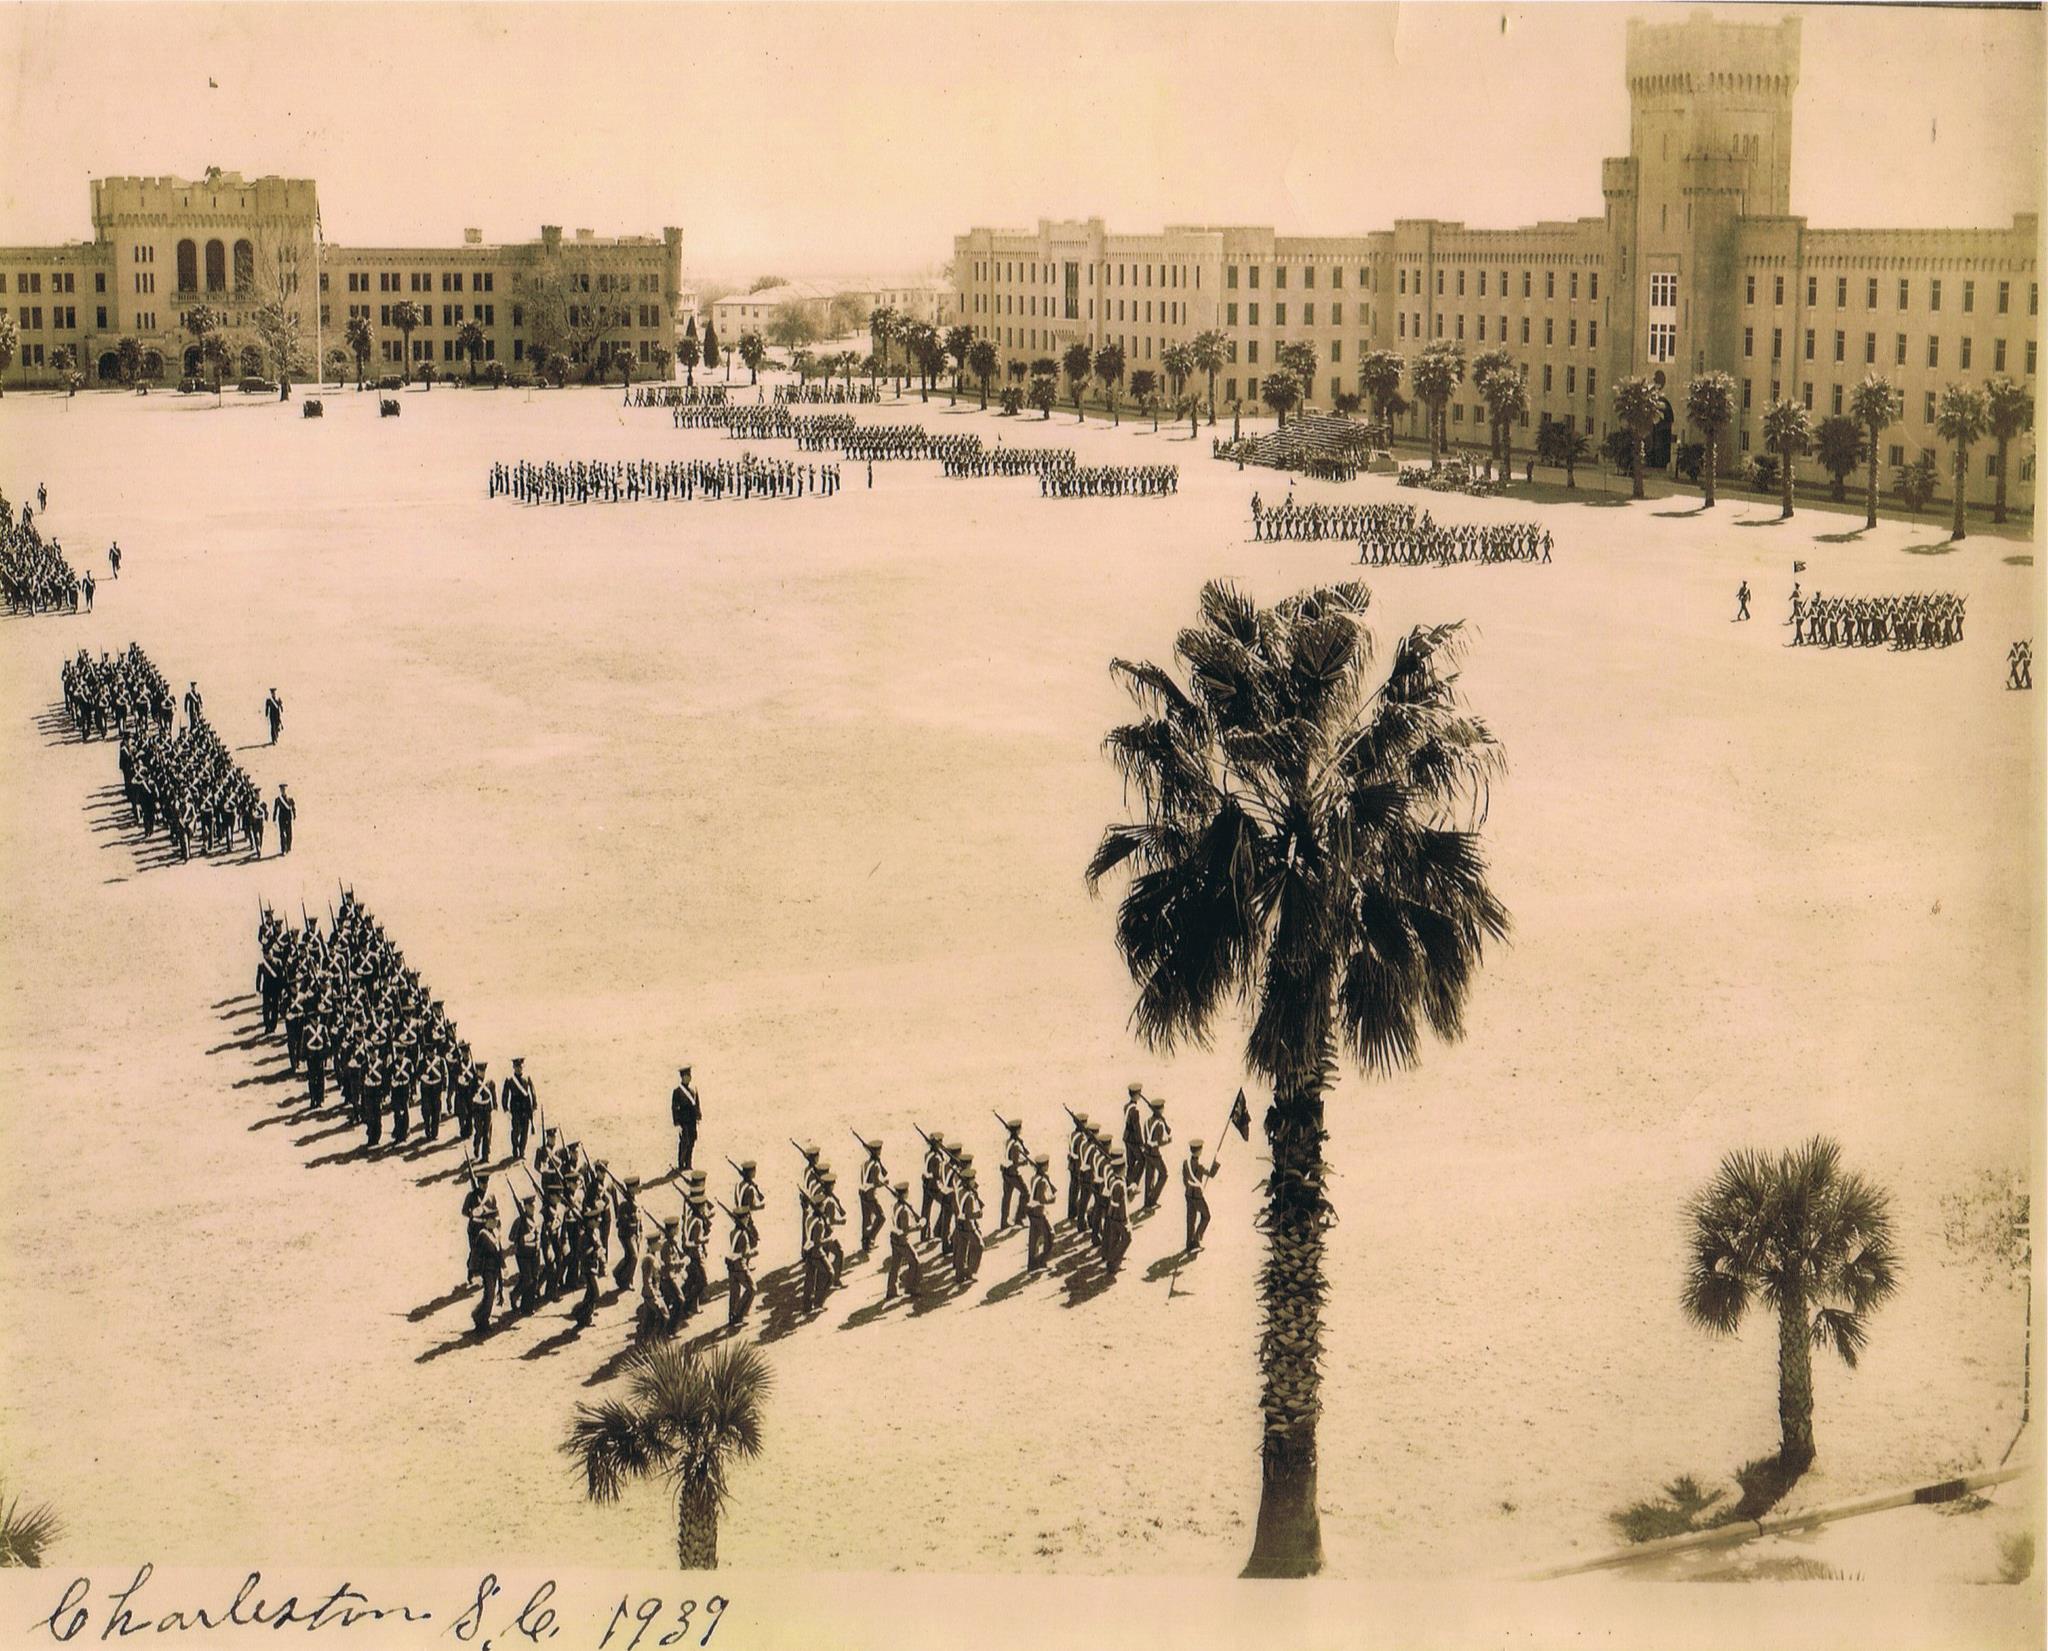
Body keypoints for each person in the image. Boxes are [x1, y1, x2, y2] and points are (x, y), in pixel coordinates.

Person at [884, 1181, 922, 1302]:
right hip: (902, 1240)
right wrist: (919, 1226)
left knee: (895, 1264)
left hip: (894, 1238)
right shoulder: (904, 1210)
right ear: (905, 1194)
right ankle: (910, 1287)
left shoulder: (896, 1205)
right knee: (915, 1262)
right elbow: (905, 1229)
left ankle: (892, 1290)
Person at [1182, 1140, 1219, 1252]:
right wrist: (1215, 1164)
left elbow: (1184, 1179)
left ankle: (1189, 1244)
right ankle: (1196, 1239)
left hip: (1188, 1194)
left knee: (1190, 1220)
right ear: (1198, 1152)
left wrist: (1189, 1188)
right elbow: (1211, 1174)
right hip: (1197, 1196)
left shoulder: (1185, 1163)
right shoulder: (1200, 1167)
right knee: (1206, 1216)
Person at [1025, 1154, 1057, 1272]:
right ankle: (1042, 1261)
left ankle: (1032, 1264)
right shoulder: (1042, 1181)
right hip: (1038, 1211)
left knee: (1034, 1238)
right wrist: (1052, 1199)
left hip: (1031, 1210)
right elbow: (1041, 1199)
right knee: (1049, 1235)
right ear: (1043, 1167)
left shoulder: (1034, 1178)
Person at [856, 1136, 888, 1253]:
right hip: (870, 1195)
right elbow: (875, 1182)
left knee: (866, 1219)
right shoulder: (875, 1165)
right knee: (881, 1218)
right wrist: (884, 1183)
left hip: (862, 1193)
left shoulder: (865, 1163)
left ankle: (865, 1244)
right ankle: (871, 1239)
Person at [998, 1118, 1031, 1228]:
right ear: (1017, 1130)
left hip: (1005, 1171)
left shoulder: (1009, 1141)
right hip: (1012, 1172)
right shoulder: (1016, 1145)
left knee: (1007, 1196)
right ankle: (1019, 1218)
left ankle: (1003, 1222)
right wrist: (1025, 1162)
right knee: (1025, 1193)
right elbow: (1015, 1162)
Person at [503, 1056, 536, 1161]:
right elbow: (505, 1095)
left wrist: (534, 1105)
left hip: (526, 1108)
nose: (519, 1069)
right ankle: (515, 1149)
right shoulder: (510, 1080)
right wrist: (506, 1108)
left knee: (525, 1131)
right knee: (516, 1130)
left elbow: (533, 1091)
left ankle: (522, 1151)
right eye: (517, 1067)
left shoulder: (527, 1078)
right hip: (515, 1109)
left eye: (520, 1067)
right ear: (513, 1067)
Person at [670, 1065, 700, 1172]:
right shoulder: (677, 1092)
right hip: (684, 1122)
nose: (689, 1078)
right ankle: (681, 1163)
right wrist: (677, 1123)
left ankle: (688, 1163)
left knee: (692, 1141)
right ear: (682, 1077)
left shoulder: (693, 1091)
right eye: (687, 1076)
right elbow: (674, 1108)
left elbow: (696, 1105)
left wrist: (698, 1117)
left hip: (692, 1122)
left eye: (689, 1075)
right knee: (684, 1142)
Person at [273, 783, 296, 855]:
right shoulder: (278, 799)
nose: (283, 791)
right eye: (282, 789)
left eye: (284, 789)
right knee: (282, 834)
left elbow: (293, 808)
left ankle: (288, 847)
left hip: (288, 817)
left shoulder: (290, 799)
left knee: (289, 833)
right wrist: (274, 818)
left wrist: (294, 815)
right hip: (281, 818)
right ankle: (283, 849)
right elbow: (275, 809)